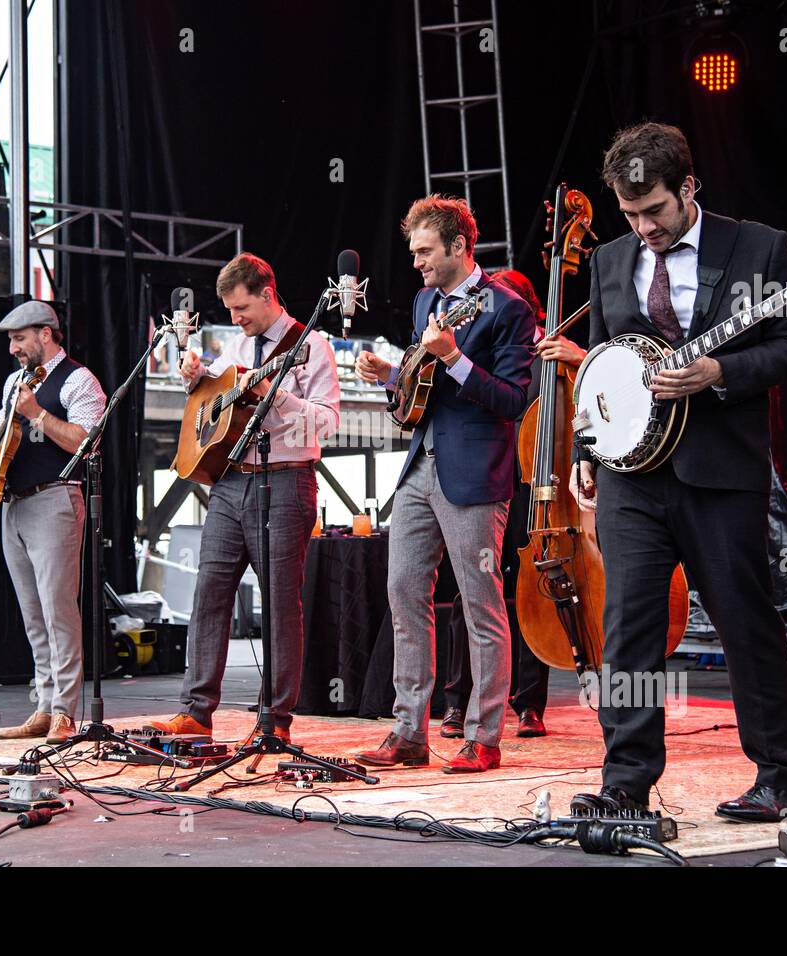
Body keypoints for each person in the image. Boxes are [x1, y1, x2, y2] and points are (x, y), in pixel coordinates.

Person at [568, 122, 787, 821]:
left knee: (744, 623)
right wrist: (589, 448)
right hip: (631, 479)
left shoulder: (760, 247)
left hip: (721, 470)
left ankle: (781, 778)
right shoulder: (612, 258)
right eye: (630, 213)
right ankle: (626, 784)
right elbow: (599, 364)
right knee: (628, 632)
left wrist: (719, 371)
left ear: (689, 187)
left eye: (655, 210)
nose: (643, 226)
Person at [353, 195, 537, 773]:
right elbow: (418, 396)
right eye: (413, 252)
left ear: (460, 246)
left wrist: (456, 358)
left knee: (481, 607)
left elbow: (513, 400)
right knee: (405, 594)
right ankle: (409, 732)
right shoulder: (424, 301)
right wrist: (393, 376)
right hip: (420, 467)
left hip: (476, 473)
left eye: (426, 251)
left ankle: (484, 737)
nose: (417, 262)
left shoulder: (507, 309)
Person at [148, 253, 340, 744]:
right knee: (209, 593)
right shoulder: (238, 343)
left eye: (241, 308)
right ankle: (196, 712)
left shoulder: (311, 346)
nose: (235, 319)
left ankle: (275, 720)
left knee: (280, 604)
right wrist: (197, 380)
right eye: (230, 310)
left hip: (287, 480)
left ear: (267, 294)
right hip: (232, 482)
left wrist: (280, 399)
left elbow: (327, 423)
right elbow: (216, 406)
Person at [0, 300, 106, 746]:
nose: (14, 349)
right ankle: (43, 705)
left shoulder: (79, 380)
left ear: (45, 333)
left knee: (59, 610)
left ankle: (65, 712)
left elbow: (86, 442)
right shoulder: (15, 382)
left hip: (54, 498)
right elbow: (0, 431)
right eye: (11, 341)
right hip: (14, 502)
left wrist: (37, 412)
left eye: (20, 338)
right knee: (33, 613)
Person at [441, 268, 587, 739]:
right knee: (473, 587)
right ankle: (456, 699)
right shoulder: (483, 340)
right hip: (486, 474)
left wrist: (573, 363)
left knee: (530, 591)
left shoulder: (549, 353)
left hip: (535, 485)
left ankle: (529, 704)